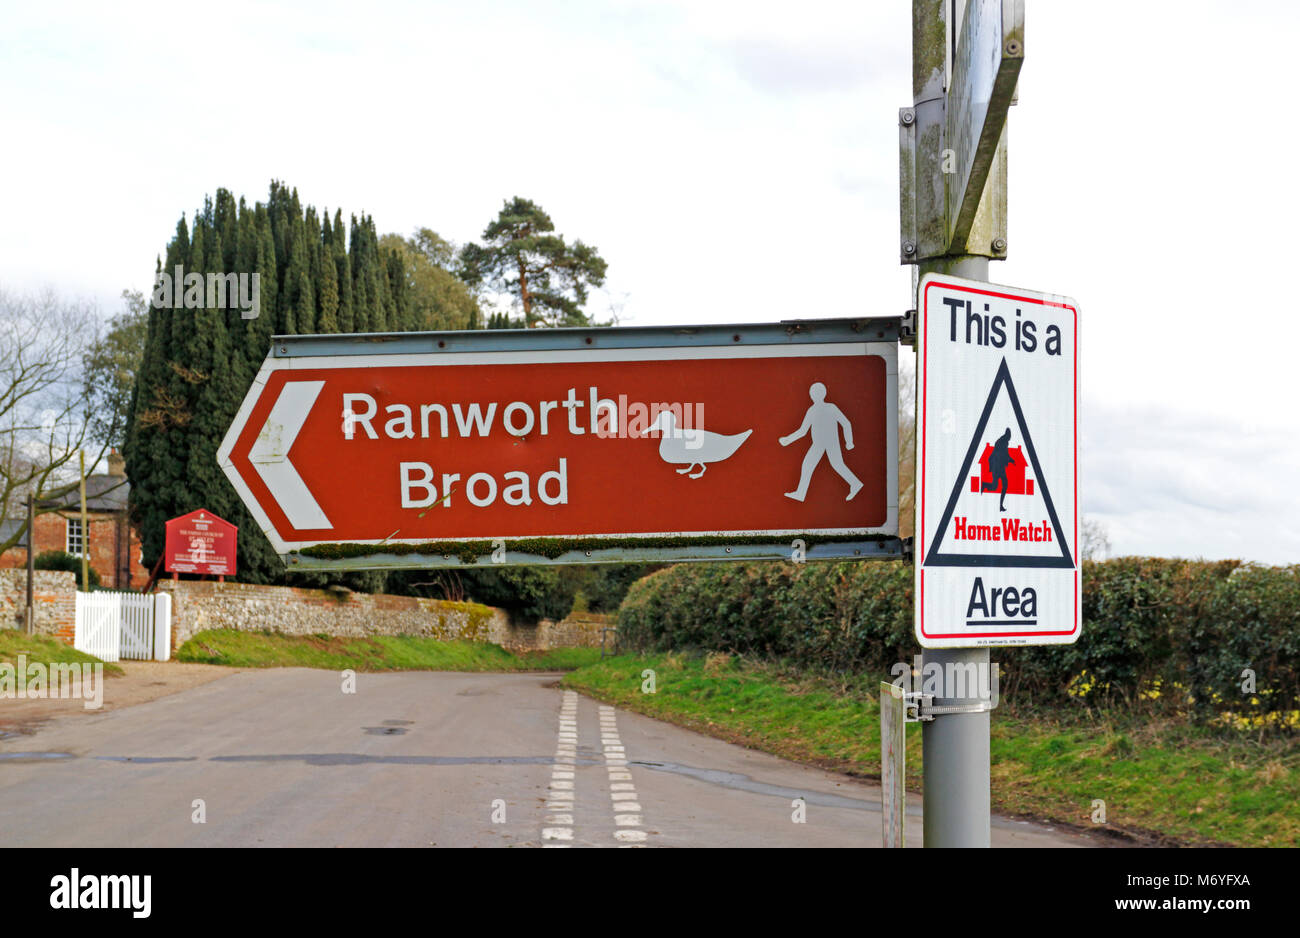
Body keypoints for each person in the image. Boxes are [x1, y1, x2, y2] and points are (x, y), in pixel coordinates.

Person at [779, 382, 862, 502]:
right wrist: (787, 440)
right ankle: (800, 493)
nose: (813, 395)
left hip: (828, 444)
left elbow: (846, 423)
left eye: (813, 393)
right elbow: (803, 431)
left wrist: (849, 442)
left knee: (834, 465)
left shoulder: (826, 408)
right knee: (810, 465)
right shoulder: (816, 410)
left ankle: (855, 483)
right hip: (821, 444)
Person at [982, 427, 1016, 512]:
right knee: (997, 486)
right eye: (1010, 436)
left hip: (1000, 467)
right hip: (997, 467)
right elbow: (1001, 455)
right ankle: (984, 485)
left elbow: (1006, 455)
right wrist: (1009, 460)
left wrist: (1011, 460)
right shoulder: (1002, 442)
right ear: (1007, 435)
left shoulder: (1004, 442)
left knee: (1000, 485)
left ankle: (1000, 506)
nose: (1010, 437)